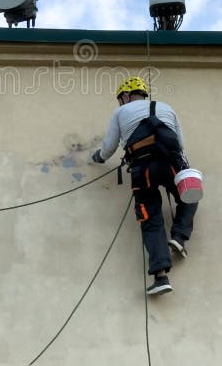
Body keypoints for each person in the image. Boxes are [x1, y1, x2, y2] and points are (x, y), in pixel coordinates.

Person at [91, 76, 198, 296]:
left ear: (127, 95)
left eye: (121, 99)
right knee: (190, 196)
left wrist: (99, 158)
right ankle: (179, 237)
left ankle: (161, 277)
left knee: (150, 219)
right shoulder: (168, 108)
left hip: (144, 169)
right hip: (171, 164)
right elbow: (181, 144)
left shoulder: (121, 112)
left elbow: (109, 146)